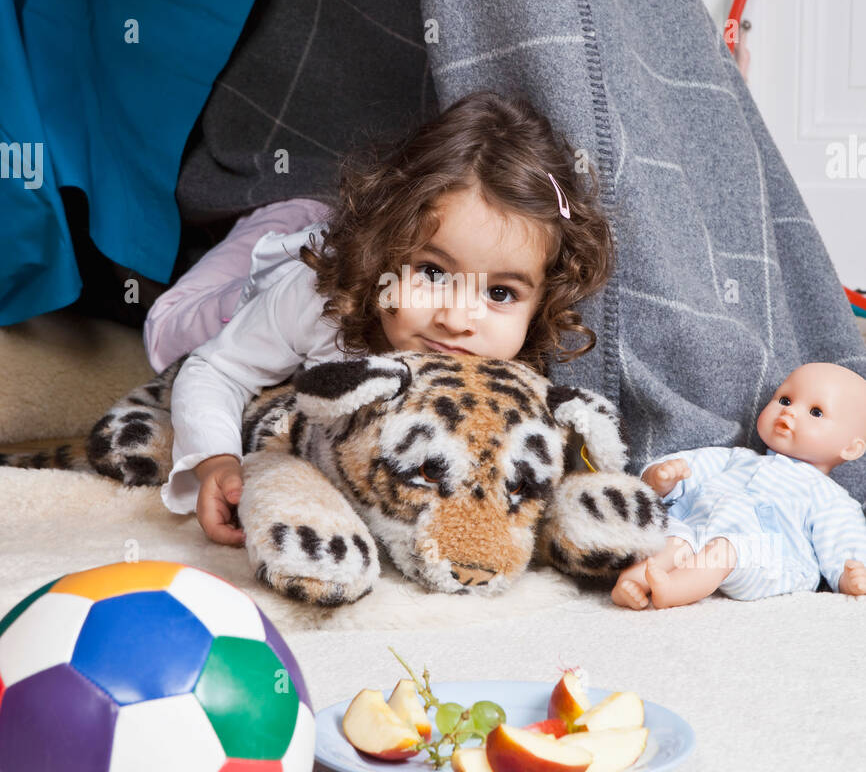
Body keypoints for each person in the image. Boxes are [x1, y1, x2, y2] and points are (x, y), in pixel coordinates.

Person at [156, 90, 616, 546]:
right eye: (433, 272)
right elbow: (216, 369)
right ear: (383, 248)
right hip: (277, 270)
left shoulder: (506, 375)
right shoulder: (319, 299)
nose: (457, 319)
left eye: (500, 292)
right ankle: (280, 214)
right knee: (166, 334)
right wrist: (214, 460)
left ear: (540, 303)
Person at [611, 363, 866, 608]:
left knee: (726, 550)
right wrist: (663, 477)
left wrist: (849, 575)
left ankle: (674, 590)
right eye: (785, 400)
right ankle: (632, 582)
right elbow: (692, 467)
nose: (789, 412)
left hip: (766, 555)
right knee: (675, 538)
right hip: (699, 528)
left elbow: (842, 535)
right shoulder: (739, 459)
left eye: (816, 412)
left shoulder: (827, 495)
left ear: (851, 448)